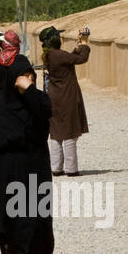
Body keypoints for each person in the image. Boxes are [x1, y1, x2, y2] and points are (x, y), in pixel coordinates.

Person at [0, 54, 55, 254]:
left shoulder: (37, 102)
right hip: (7, 175)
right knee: (12, 225)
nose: (28, 79)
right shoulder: (1, 106)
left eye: (31, 76)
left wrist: (30, 90)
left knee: (37, 222)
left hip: (35, 171)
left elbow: (46, 112)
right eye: (24, 76)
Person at [41, 25, 91, 176]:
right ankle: (71, 169)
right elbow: (81, 59)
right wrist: (84, 43)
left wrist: (77, 47)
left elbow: (68, 59)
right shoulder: (58, 55)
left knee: (56, 133)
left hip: (55, 97)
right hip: (66, 97)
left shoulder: (50, 55)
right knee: (69, 133)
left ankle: (56, 168)